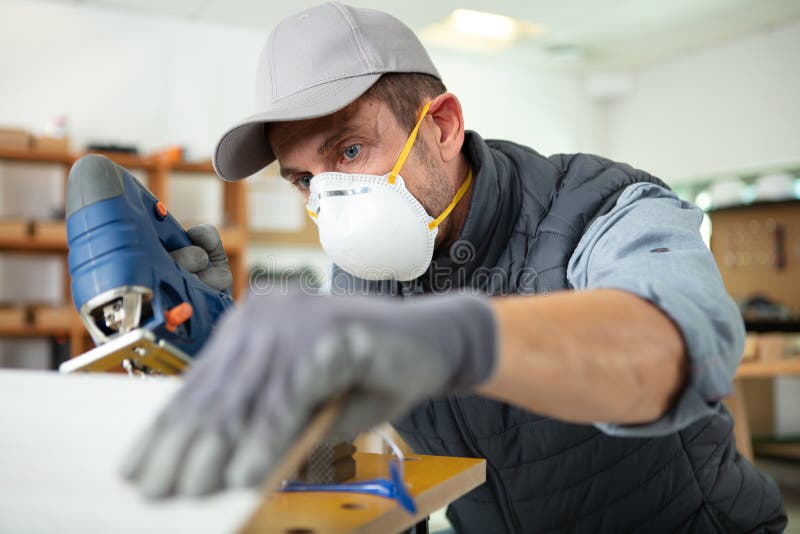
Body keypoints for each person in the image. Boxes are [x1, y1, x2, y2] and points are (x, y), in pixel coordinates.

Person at [122, 3, 786, 532]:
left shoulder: (602, 206)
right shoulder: (363, 274)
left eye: (350, 149)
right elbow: (349, 461)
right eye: (303, 179)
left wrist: (455, 339)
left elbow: (684, 345)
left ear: (441, 127)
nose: (327, 199)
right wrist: (214, 356)